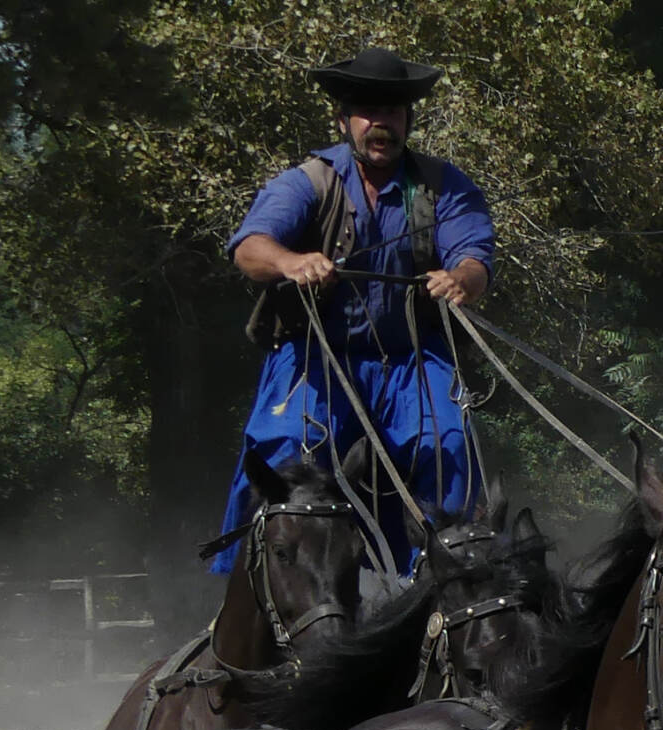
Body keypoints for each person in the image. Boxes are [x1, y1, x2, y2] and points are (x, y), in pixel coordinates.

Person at [212, 45, 495, 574]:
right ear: (343, 119)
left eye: (392, 111)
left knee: (449, 444)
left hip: (411, 360)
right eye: (368, 111)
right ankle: (253, 588)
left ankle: (443, 588)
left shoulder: (442, 185)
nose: (380, 122)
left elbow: (475, 256)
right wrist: (291, 261)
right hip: (313, 357)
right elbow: (250, 248)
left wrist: (460, 279)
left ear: (407, 119)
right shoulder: (308, 181)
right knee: (282, 447)